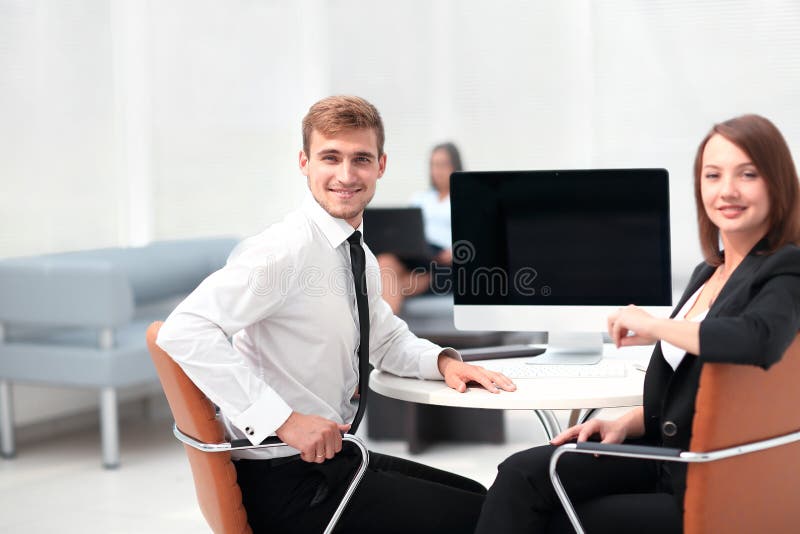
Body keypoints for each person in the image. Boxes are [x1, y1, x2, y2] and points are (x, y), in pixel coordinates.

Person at [156, 95, 516, 534]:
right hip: (288, 483)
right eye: (331, 157)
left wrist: (442, 362)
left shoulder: (353, 250)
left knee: (484, 501)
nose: (346, 175)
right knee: (485, 518)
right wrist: (283, 421)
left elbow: (384, 339)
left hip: (332, 461)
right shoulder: (284, 250)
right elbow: (184, 329)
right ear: (304, 162)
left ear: (380, 166)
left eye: (360, 159)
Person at [474, 113, 800, 534]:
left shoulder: (786, 268)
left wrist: (655, 325)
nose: (727, 190)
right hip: (663, 453)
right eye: (713, 175)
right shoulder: (708, 272)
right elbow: (688, 390)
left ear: (777, 182)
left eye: (748, 174)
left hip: (710, 477)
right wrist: (625, 422)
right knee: (522, 474)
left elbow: (757, 339)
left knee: (553, 520)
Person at [377, 142, 462, 313]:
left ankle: (379, 335)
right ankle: (386, 335)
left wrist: (456, 250)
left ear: (455, 166)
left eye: (442, 165)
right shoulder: (420, 199)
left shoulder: (465, 199)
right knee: (385, 260)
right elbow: (406, 229)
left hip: (444, 260)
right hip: (418, 252)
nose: (437, 170)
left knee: (399, 284)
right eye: (434, 165)